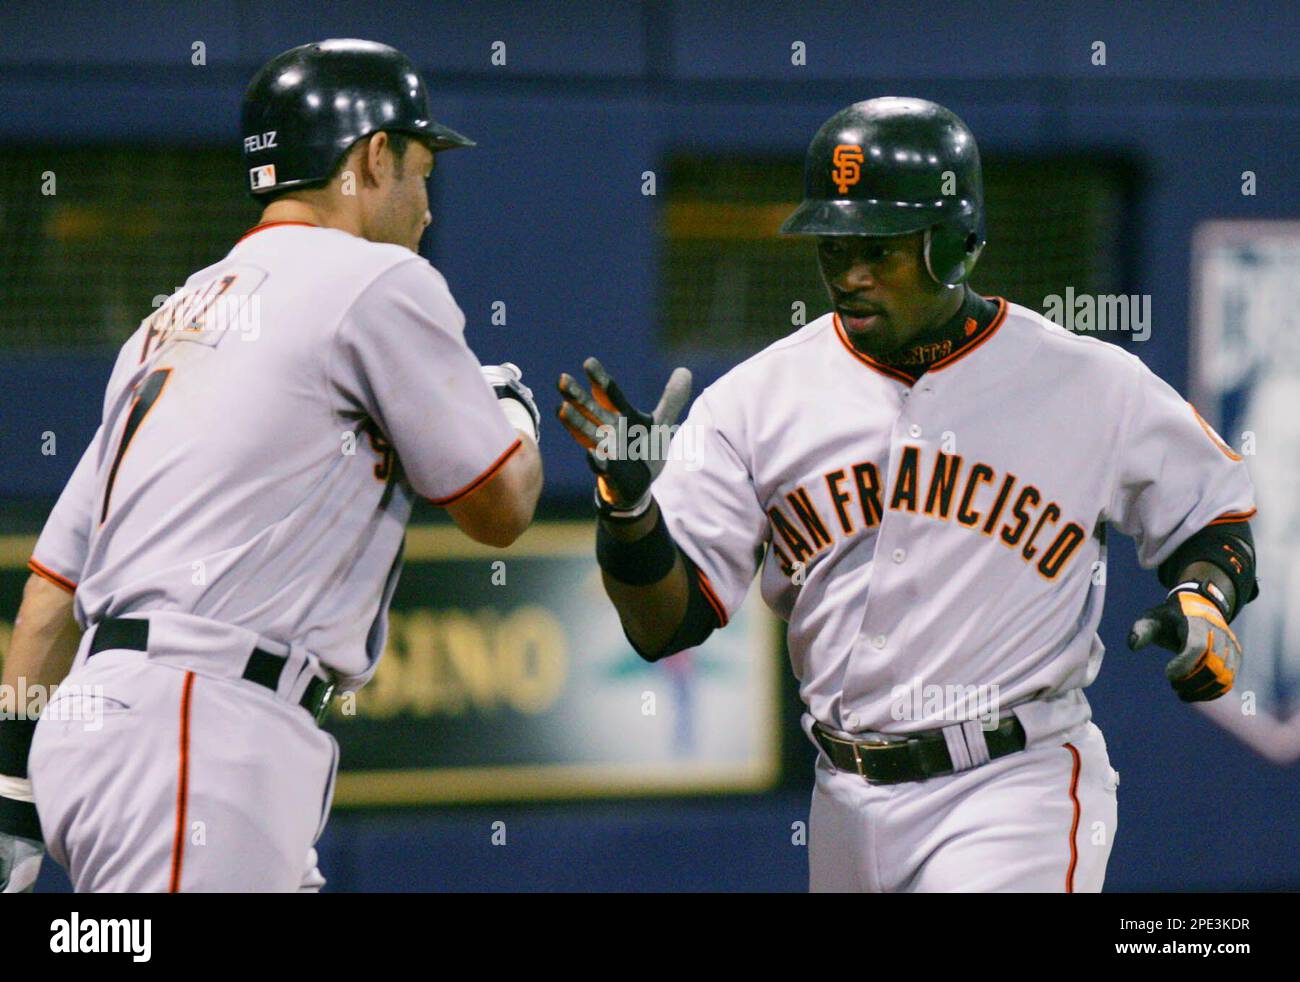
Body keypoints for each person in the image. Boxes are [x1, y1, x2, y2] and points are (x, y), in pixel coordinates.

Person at [555, 97, 1257, 892]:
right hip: (844, 800)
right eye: (834, 247)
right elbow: (665, 625)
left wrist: (1206, 597)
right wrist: (628, 513)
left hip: (1011, 786)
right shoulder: (750, 403)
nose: (850, 273)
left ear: (955, 245)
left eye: (879, 250)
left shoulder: (1088, 382)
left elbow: (1213, 511)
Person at [0, 39, 542, 893]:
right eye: (421, 169)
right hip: (198, 734)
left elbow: (48, 594)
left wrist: (8, 795)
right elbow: (501, 506)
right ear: (372, 158)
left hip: (123, 729)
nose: (428, 205)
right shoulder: (376, 279)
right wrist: (512, 410)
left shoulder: (167, 321)